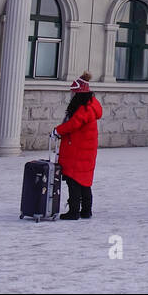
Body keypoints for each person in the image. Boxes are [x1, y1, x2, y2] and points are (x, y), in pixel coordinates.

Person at [53, 73, 103, 219]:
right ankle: (86, 210)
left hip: (78, 152)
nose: (71, 95)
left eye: (73, 92)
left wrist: (58, 130)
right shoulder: (90, 106)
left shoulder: (84, 109)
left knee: (73, 181)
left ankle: (74, 211)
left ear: (78, 93)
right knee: (84, 182)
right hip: (84, 151)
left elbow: (73, 124)